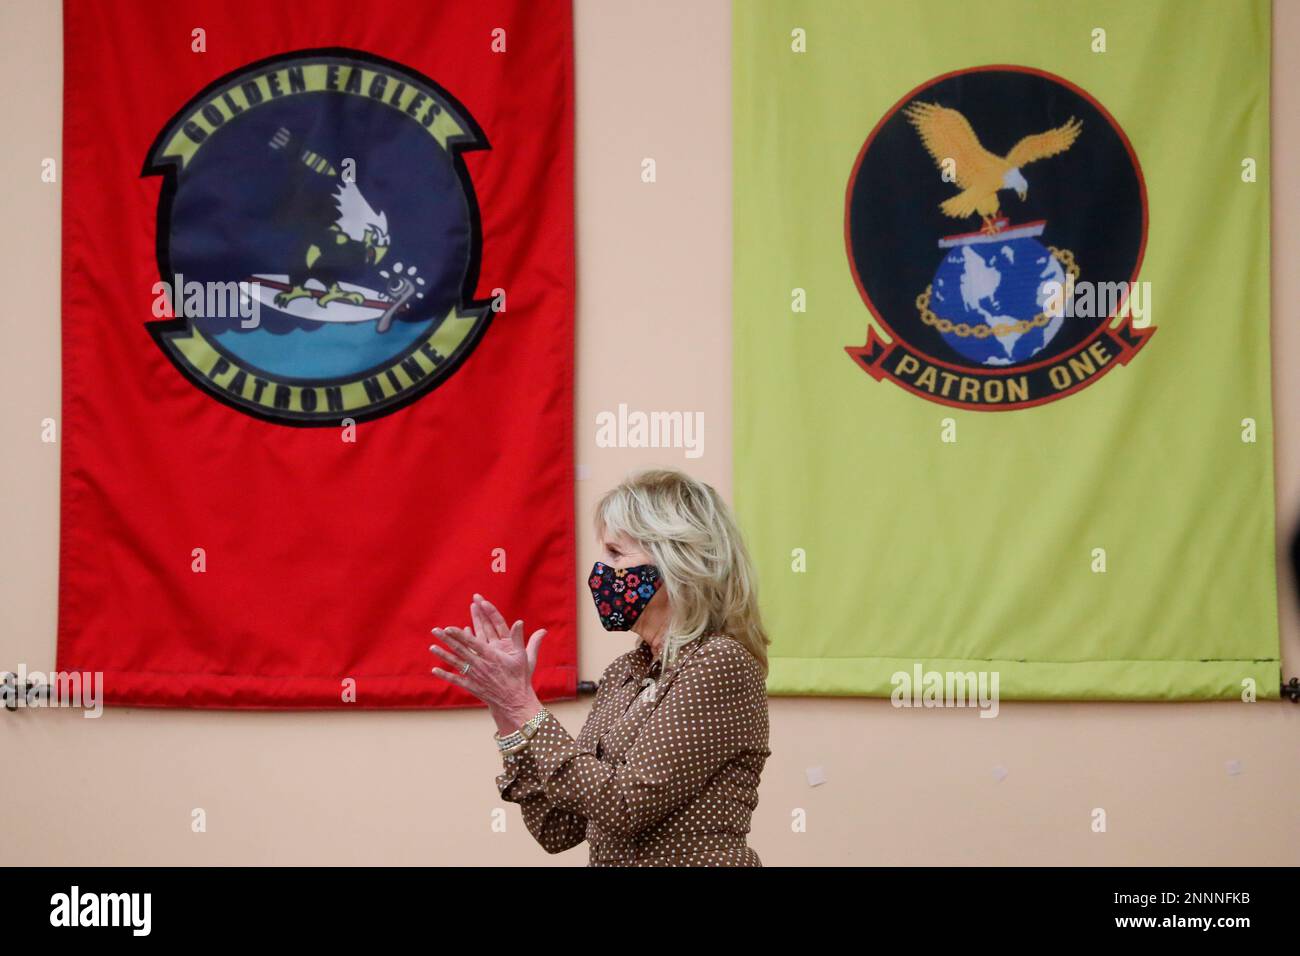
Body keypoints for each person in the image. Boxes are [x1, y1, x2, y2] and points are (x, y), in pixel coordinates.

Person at [430, 468, 772, 866]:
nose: (601, 573)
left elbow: (625, 806)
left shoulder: (719, 661)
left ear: (676, 560)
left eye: (615, 553)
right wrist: (506, 710)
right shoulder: (624, 673)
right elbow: (557, 828)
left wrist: (524, 705)